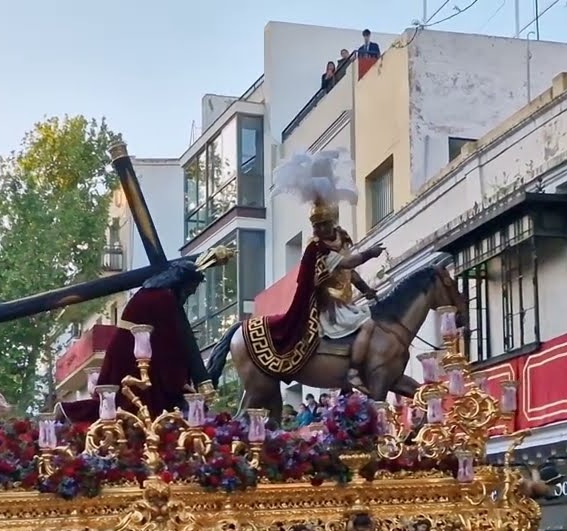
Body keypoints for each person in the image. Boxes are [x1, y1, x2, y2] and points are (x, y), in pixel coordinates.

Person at [243, 151, 382, 382]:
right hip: (328, 305)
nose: (319, 231)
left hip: (344, 299)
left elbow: (348, 271)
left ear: (331, 223)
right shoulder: (316, 249)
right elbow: (348, 262)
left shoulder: (341, 238)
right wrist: (370, 253)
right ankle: (354, 371)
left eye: (323, 225)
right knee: (367, 325)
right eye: (316, 227)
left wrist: (366, 289)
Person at [59, 252, 227, 423]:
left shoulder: (150, 292)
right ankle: (70, 412)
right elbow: (170, 345)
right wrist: (180, 383)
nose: (190, 294)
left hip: (126, 351)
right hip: (134, 357)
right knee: (129, 406)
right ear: (181, 282)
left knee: (114, 403)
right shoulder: (164, 299)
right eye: (191, 289)